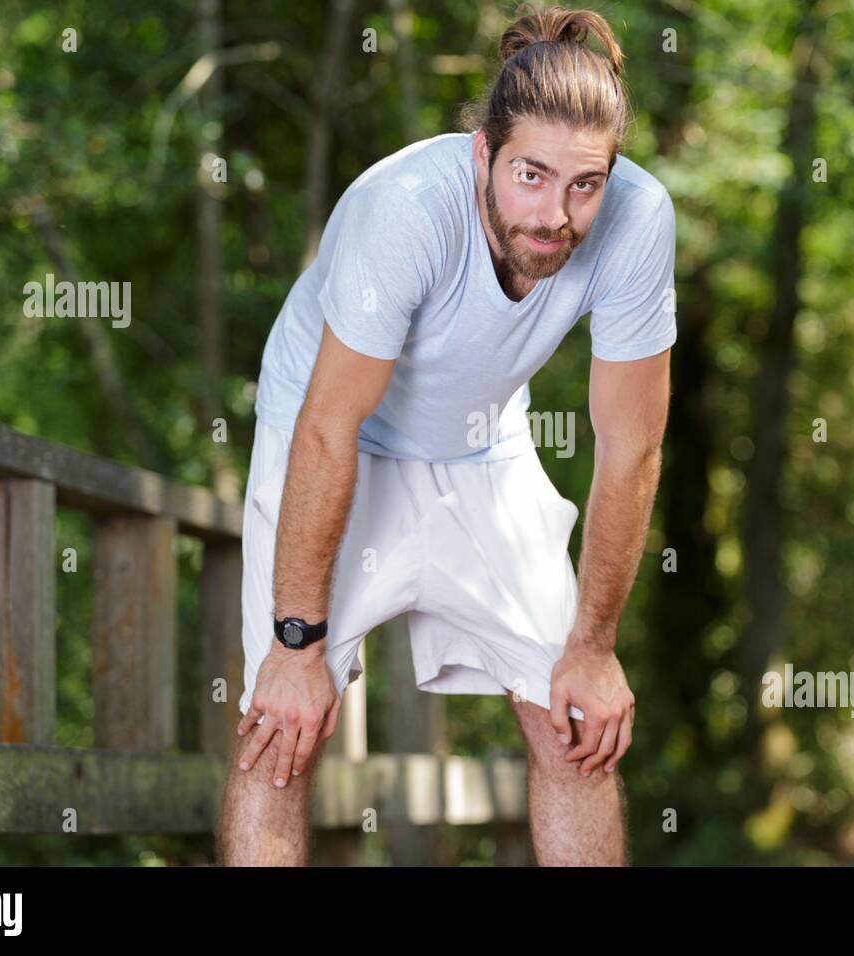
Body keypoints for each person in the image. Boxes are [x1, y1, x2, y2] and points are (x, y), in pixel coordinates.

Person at [218, 3, 676, 866]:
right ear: (483, 153)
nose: (556, 215)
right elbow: (329, 427)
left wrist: (593, 647)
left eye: (586, 184)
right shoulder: (404, 210)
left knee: (574, 717)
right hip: (333, 437)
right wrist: (295, 646)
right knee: (282, 727)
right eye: (530, 176)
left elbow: (631, 449)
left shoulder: (640, 221)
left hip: (481, 446)